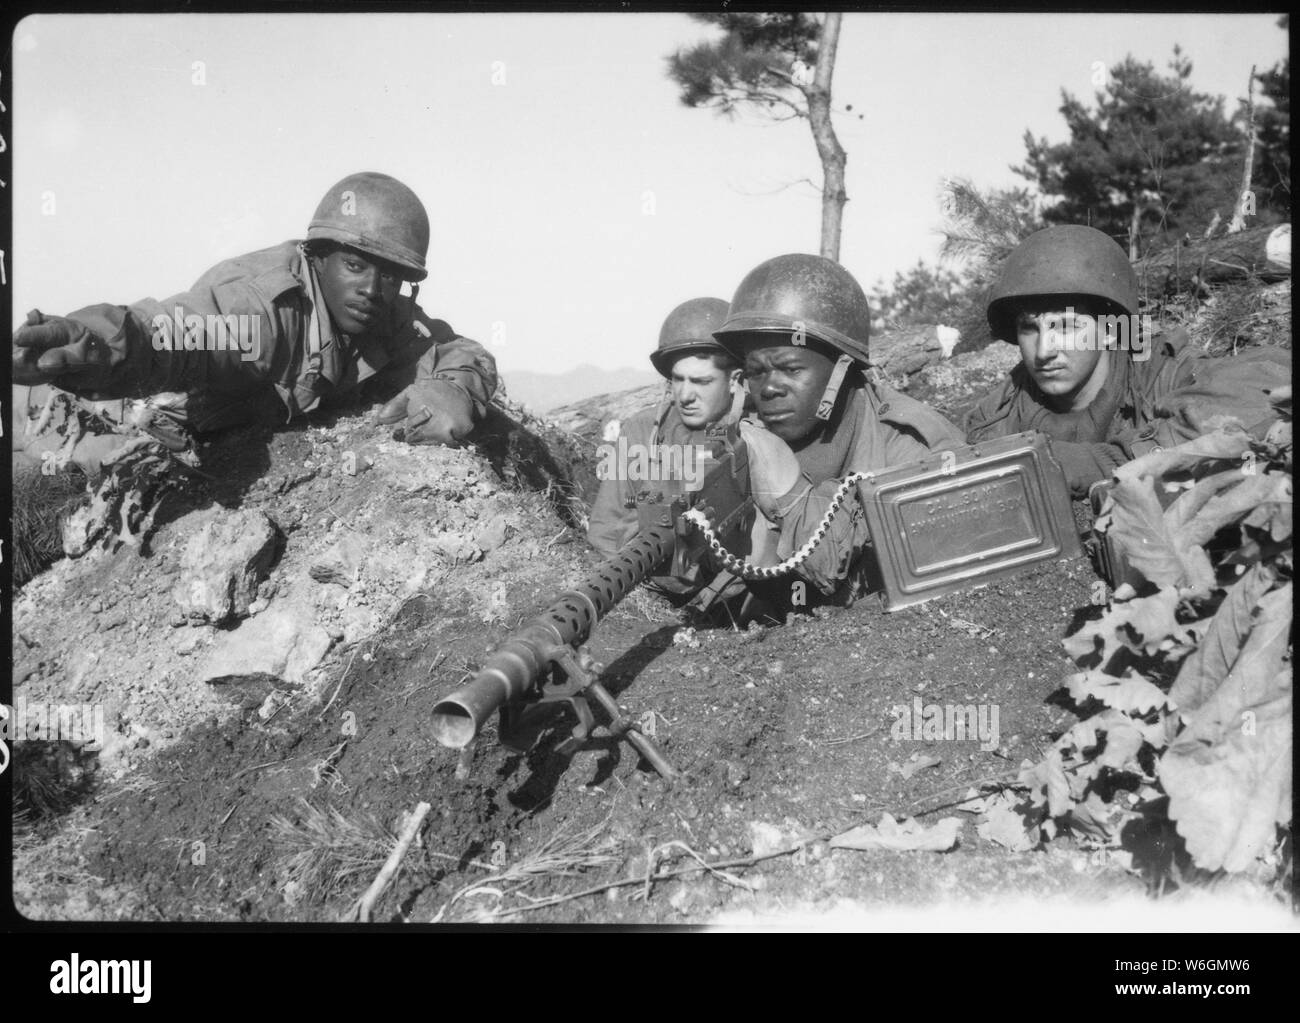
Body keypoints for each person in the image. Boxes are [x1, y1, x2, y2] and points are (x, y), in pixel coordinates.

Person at [12, 171, 498, 477]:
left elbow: (456, 350)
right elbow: (178, 333)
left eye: (390, 276)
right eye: (355, 266)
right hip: (131, 420)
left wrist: (455, 388)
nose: (373, 289)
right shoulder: (264, 310)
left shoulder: (384, 313)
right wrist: (100, 343)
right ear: (319, 257)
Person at [965, 224, 1292, 499]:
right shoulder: (1000, 414)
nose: (1044, 351)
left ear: (1110, 330)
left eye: (1066, 326)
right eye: (1029, 328)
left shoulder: (1156, 372)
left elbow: (1269, 383)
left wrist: (1109, 461)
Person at [712, 253, 965, 601]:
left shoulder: (912, 449)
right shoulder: (746, 440)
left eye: (791, 369)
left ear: (842, 369)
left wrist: (786, 488)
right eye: (757, 372)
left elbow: (842, 575)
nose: (769, 388)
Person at [586, 296, 744, 558]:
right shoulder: (642, 430)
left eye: (701, 381)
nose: (685, 396)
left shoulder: (755, 436)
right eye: (678, 380)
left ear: (733, 380)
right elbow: (607, 532)